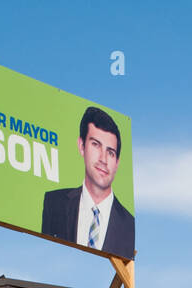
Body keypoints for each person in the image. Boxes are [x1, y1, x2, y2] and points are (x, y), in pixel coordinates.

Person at [41, 106, 135, 258]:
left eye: (110, 152)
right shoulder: (54, 203)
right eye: (96, 145)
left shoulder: (129, 225)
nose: (103, 159)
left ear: (117, 162)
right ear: (81, 146)